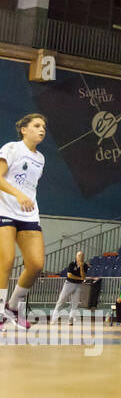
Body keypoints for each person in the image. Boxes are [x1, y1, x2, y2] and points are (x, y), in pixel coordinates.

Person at [0, 113, 48, 329]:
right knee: (7, 260)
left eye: (44, 126)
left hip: (28, 215)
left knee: (36, 264)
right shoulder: (12, 148)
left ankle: (12, 306)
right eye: (37, 125)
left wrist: (25, 198)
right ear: (24, 130)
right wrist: (18, 195)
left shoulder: (40, 158)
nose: (42, 129)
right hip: (5, 210)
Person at [51, 250, 92, 321]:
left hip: (78, 285)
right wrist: (80, 278)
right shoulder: (72, 263)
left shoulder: (85, 265)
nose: (80, 257)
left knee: (75, 303)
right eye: (79, 256)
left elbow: (83, 276)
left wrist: (81, 268)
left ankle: (71, 318)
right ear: (76, 256)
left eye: (82, 256)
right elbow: (70, 275)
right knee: (61, 300)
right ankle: (54, 318)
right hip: (69, 284)